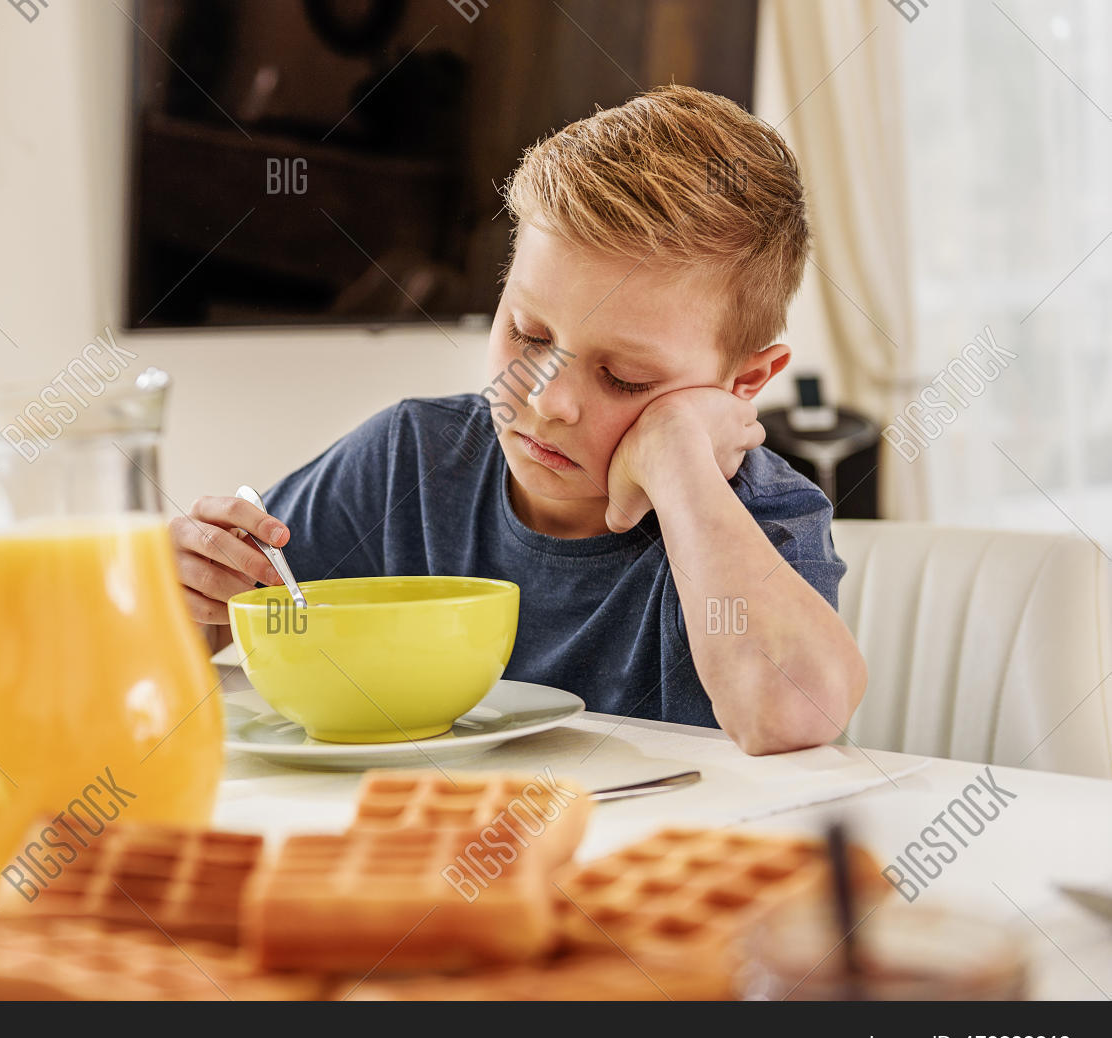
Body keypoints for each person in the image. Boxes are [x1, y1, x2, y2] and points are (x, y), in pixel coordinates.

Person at [171, 85, 866, 756]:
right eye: (529, 333)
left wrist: (678, 454)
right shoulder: (413, 461)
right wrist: (183, 588)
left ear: (743, 382)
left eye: (626, 378)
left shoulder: (759, 516)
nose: (546, 399)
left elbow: (790, 713)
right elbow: (204, 624)